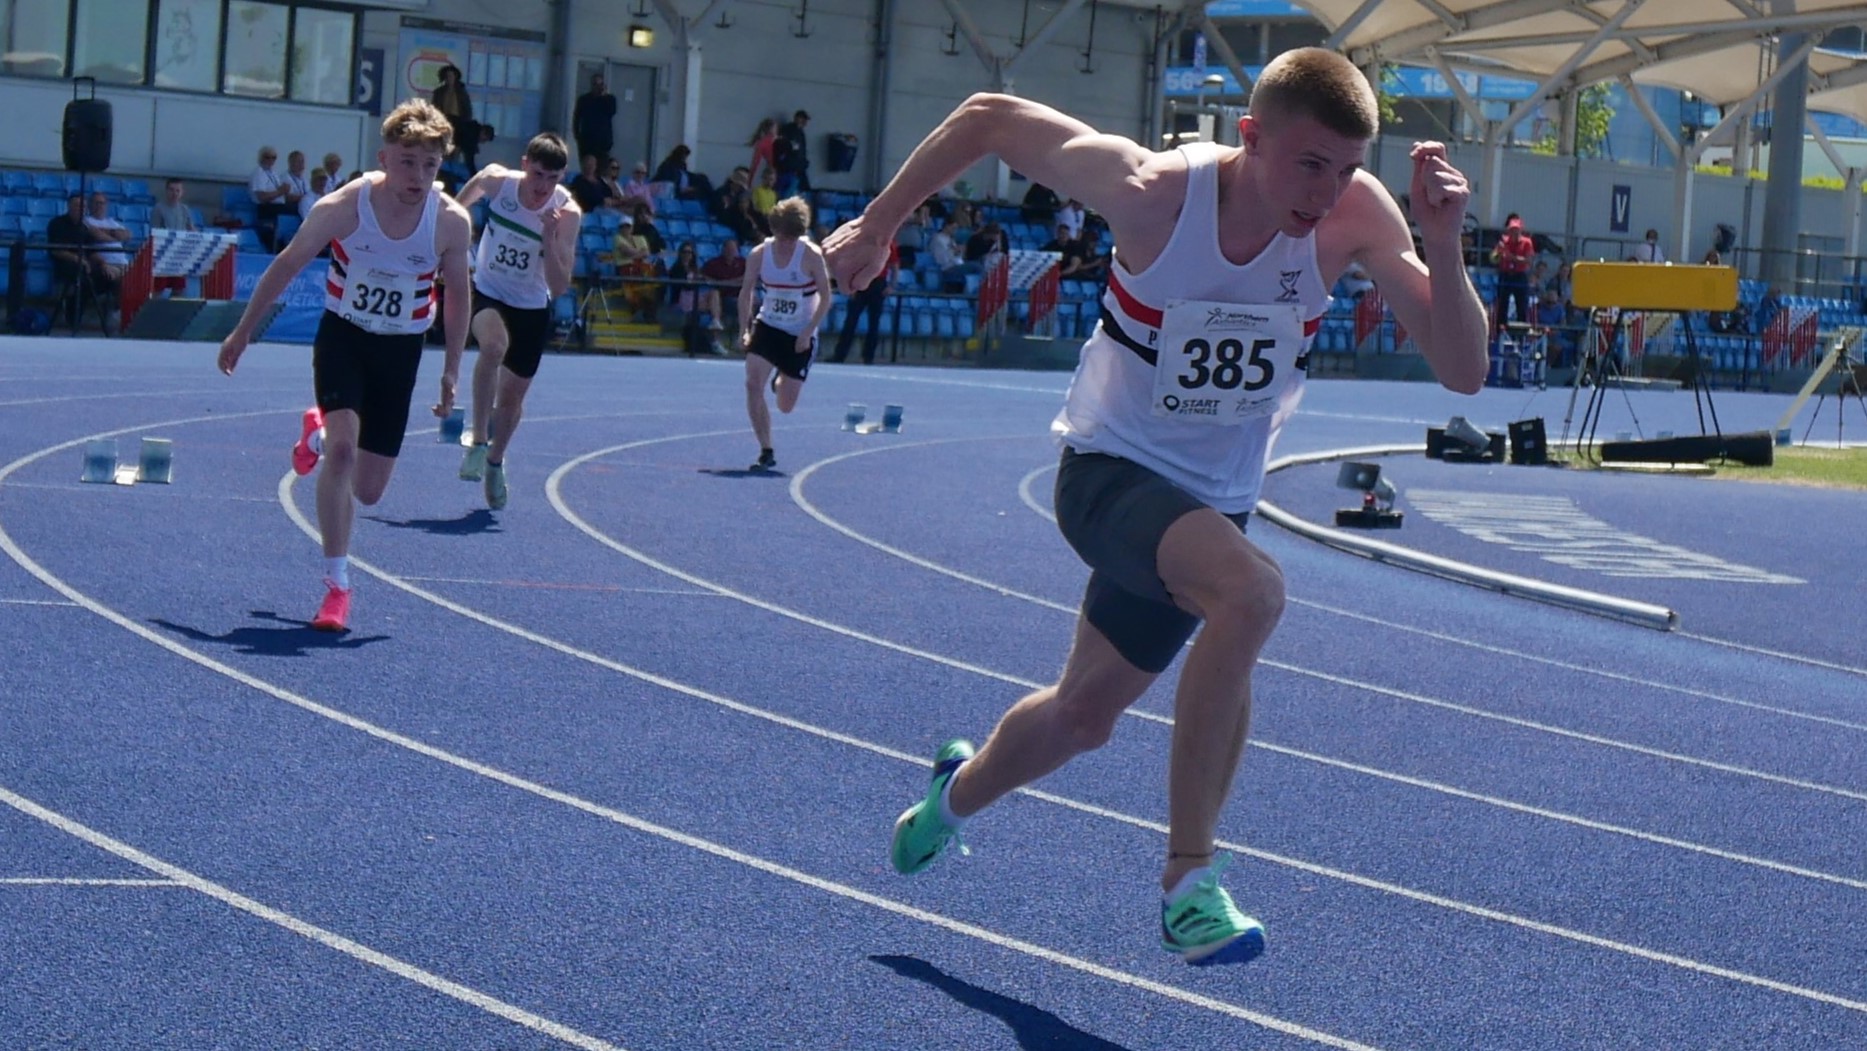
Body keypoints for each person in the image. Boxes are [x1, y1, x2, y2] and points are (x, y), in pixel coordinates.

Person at [822, 48, 1486, 966]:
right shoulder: (1153, 192)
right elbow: (984, 116)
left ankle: (949, 796)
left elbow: (1463, 368)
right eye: (1306, 163)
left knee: (1082, 716)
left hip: (1213, 505)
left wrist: (1445, 243)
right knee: (1250, 594)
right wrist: (875, 225)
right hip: (1108, 475)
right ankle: (1188, 881)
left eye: (1344, 168)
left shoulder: (1354, 216)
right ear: (1247, 138)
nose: (1325, 191)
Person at [217, 99, 474, 633]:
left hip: (400, 349)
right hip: (345, 336)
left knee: (370, 489)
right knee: (342, 452)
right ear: (382, 158)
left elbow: (457, 298)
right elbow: (287, 264)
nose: (418, 176)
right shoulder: (343, 206)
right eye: (406, 162)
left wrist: (451, 369)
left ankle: (313, 436)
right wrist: (244, 331)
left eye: (430, 165)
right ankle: (337, 587)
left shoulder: (451, 222)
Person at [449, 132, 580, 510]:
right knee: (492, 347)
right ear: (524, 164)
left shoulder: (566, 213)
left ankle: (494, 461)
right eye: (538, 175)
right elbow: (455, 211)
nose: (543, 187)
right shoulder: (496, 182)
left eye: (552, 179)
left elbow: (559, 288)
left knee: (511, 400)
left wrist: (550, 238)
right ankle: (476, 441)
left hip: (531, 307)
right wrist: (452, 246)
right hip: (488, 289)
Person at [739, 197, 831, 471]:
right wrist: (744, 329)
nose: (788, 243)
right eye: (783, 237)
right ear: (774, 230)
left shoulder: (811, 255)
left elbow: (826, 297)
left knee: (786, 405)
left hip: (798, 334)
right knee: (752, 383)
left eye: (794, 238)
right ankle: (766, 449)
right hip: (768, 326)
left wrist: (808, 332)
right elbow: (746, 293)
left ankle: (781, 379)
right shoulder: (759, 255)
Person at [830, 240, 897, 365]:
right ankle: (840, 355)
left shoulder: (888, 242)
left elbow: (894, 264)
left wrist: (892, 285)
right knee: (851, 320)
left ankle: (868, 357)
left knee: (873, 322)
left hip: (877, 282)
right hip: (861, 280)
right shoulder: (862, 241)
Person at [1490, 213, 1535, 331]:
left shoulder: (1527, 242)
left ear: (1520, 230)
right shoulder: (1503, 242)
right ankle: (1499, 332)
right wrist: (1498, 253)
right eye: (1511, 229)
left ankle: (1521, 334)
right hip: (1505, 275)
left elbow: (1528, 261)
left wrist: (1511, 257)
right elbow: (1493, 259)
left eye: (1516, 229)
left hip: (1520, 276)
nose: (1513, 232)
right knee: (1502, 305)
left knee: (1521, 305)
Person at [573, 72, 617, 166]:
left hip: (603, 142)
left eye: (600, 84)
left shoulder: (609, 99)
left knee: (602, 167)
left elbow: (612, 112)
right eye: (595, 84)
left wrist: (604, 96)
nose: (598, 87)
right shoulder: (584, 100)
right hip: (587, 141)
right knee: (587, 165)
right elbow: (577, 118)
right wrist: (577, 135)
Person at [774, 110, 811, 198]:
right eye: (803, 119)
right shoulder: (789, 130)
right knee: (788, 191)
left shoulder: (800, 132)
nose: (805, 122)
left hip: (797, 167)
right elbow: (785, 147)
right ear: (797, 118)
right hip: (789, 168)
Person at [747, 117, 779, 186]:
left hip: (768, 170)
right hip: (771, 169)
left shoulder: (761, 141)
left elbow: (755, 162)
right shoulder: (770, 141)